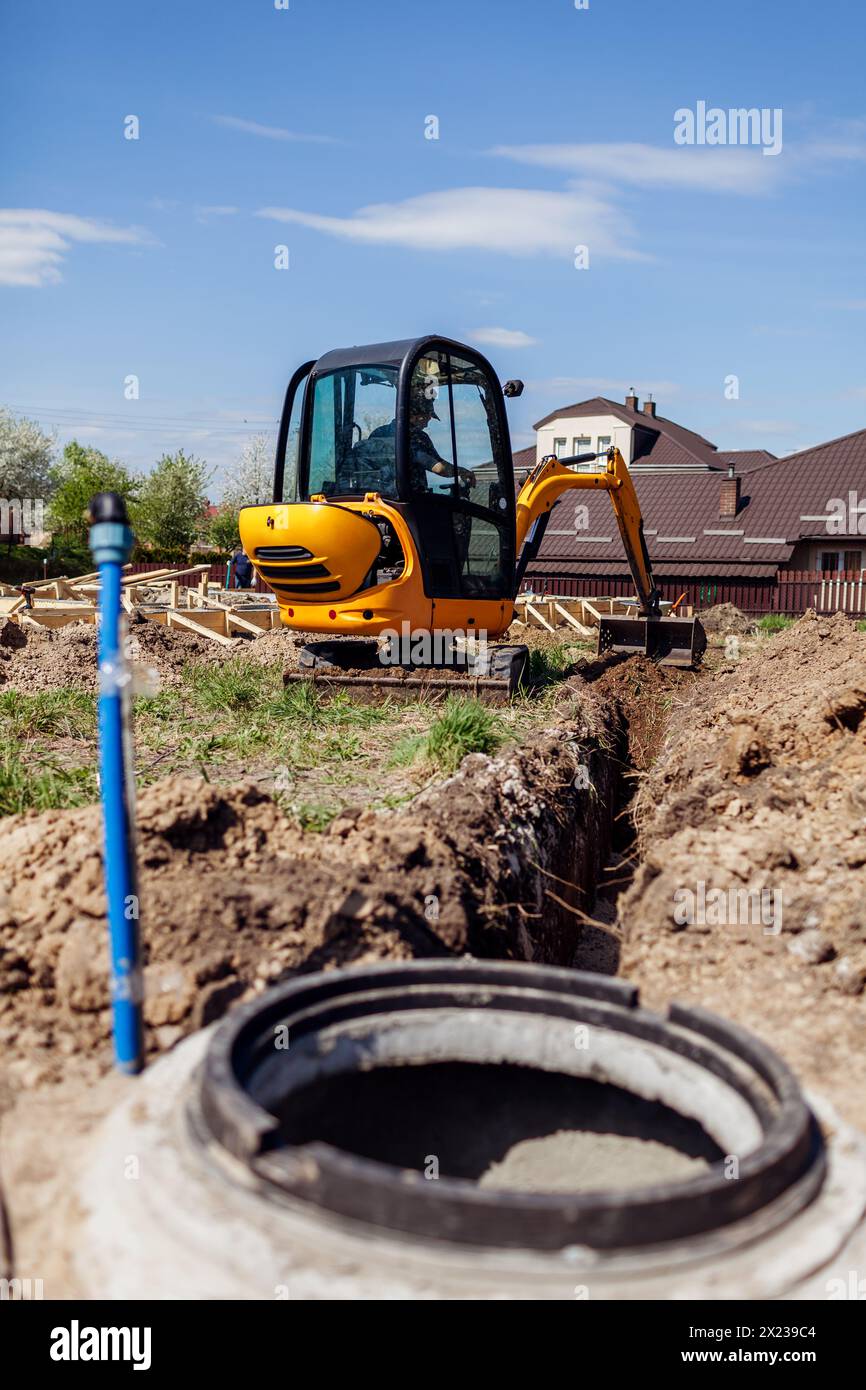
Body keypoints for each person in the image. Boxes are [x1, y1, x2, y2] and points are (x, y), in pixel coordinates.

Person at [367, 390, 476, 494]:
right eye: (426, 418)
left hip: (379, 498)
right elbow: (440, 468)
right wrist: (462, 471)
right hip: (409, 501)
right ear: (415, 416)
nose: (426, 424)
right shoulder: (415, 437)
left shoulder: (378, 433)